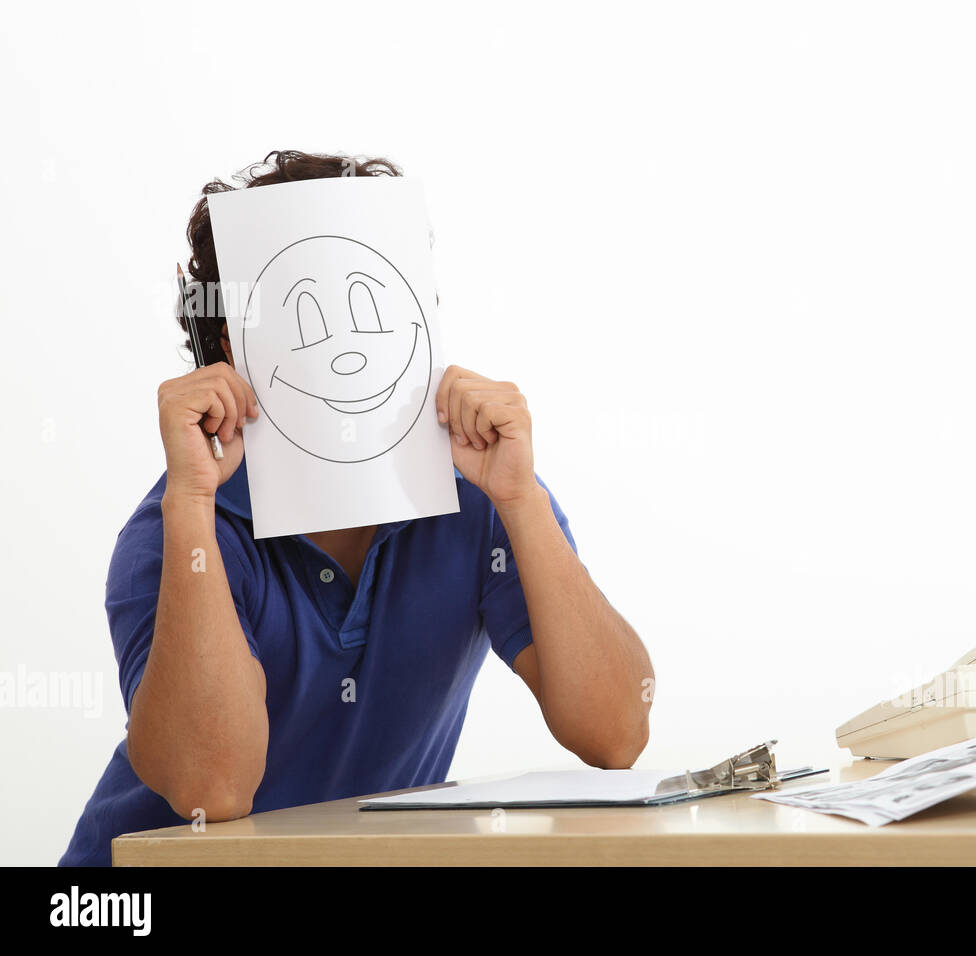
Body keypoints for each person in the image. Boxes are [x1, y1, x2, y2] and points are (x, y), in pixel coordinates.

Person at [59, 151, 653, 866]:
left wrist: (521, 500)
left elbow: (617, 732)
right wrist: (192, 502)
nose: (343, 350)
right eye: (301, 318)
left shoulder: (480, 496)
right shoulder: (177, 532)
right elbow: (210, 791)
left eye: (375, 305)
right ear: (229, 346)